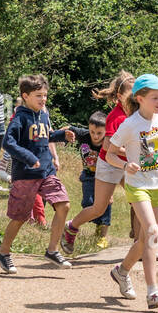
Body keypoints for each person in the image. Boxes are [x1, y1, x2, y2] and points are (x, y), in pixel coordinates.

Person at [104, 74, 158, 309]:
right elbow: (109, 152)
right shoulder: (130, 124)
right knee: (153, 231)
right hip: (137, 185)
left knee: (145, 238)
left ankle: (122, 270)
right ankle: (153, 291)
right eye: (155, 97)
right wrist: (126, 165)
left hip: (157, 184)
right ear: (140, 98)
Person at [0, 74, 73, 273]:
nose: (43, 99)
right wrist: (28, 157)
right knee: (20, 217)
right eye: (38, 95)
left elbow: (44, 137)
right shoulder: (20, 117)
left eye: (45, 95)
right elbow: (8, 142)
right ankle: (3, 252)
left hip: (47, 172)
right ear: (25, 96)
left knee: (63, 205)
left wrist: (61, 135)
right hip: (26, 175)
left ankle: (52, 250)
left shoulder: (43, 115)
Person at [61, 71, 133, 254]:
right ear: (120, 96)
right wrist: (136, 152)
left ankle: (141, 242)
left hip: (127, 164)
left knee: (138, 200)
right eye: (132, 93)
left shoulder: (136, 113)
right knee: (98, 208)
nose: (137, 97)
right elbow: (109, 147)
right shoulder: (116, 117)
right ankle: (72, 226)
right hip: (109, 163)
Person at [56, 110, 113, 252]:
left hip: (105, 178)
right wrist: (59, 137)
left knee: (106, 204)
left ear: (106, 131)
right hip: (88, 176)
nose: (95, 136)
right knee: (88, 203)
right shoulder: (83, 135)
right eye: (92, 132)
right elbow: (67, 128)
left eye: (99, 133)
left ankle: (101, 236)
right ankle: (80, 224)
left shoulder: (109, 142)